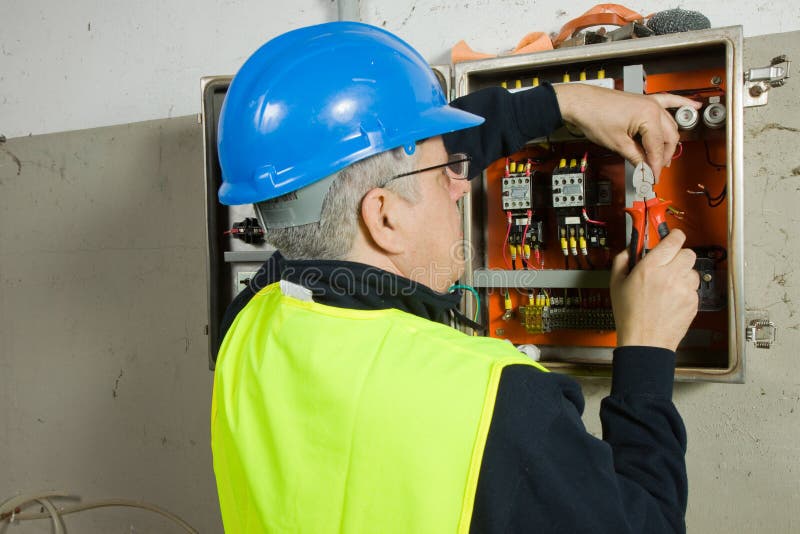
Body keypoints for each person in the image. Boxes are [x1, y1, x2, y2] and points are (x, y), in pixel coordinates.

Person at [211, 21, 701, 534]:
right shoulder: (495, 403)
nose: (462, 185)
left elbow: (343, 180)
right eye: (446, 169)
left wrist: (565, 102)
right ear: (385, 217)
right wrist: (647, 347)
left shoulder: (247, 327)